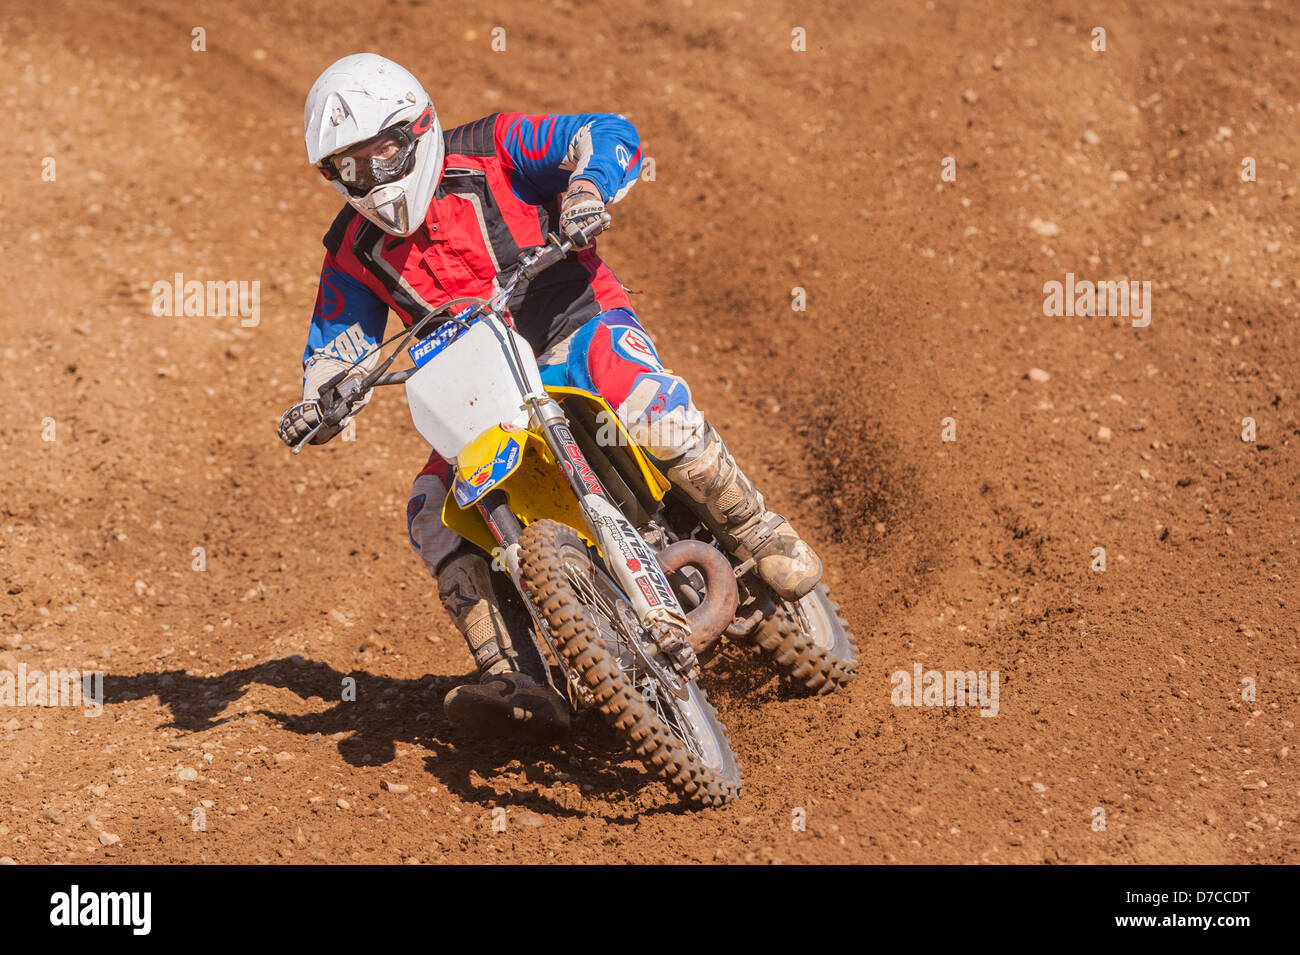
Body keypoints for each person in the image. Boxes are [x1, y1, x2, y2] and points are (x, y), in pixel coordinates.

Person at [278, 53, 821, 737]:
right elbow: (336, 341)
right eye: (351, 167)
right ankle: (516, 675)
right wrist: (320, 397)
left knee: (651, 410)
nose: (374, 176)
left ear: (416, 128)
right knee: (429, 513)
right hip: (479, 391)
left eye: (383, 151)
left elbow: (602, 131)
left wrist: (587, 187)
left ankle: (757, 529)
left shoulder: (493, 148)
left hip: (575, 331)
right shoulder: (353, 247)